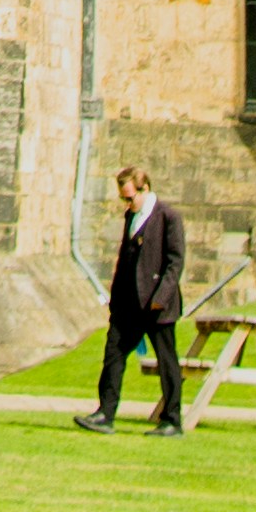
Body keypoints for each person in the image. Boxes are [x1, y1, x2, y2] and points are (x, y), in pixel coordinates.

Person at [77, 158, 186, 435]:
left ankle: (172, 420)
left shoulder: (168, 216)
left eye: (130, 197)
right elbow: (125, 261)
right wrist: (115, 300)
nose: (127, 204)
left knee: (167, 361)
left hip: (157, 304)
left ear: (144, 188)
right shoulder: (131, 217)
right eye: (123, 199)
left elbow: (175, 262)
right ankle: (105, 413)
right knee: (113, 355)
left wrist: (161, 297)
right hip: (128, 305)